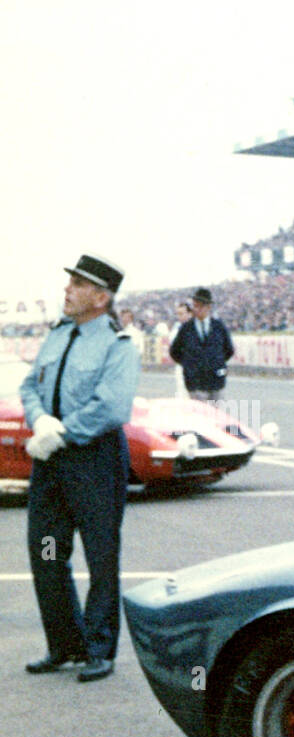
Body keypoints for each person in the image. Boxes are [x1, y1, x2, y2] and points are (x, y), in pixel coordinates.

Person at [21, 254, 139, 682]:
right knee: (47, 550)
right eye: (69, 281)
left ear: (100, 298)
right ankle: (64, 644)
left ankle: (99, 648)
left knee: (100, 555)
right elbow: (29, 385)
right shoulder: (58, 335)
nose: (67, 289)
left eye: (77, 284)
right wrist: (41, 421)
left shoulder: (117, 344)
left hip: (94, 459)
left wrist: (63, 433)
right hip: (51, 459)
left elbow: (112, 406)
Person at [169, 287, 233, 402]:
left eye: (200, 306)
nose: (197, 309)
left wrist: (217, 362)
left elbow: (229, 349)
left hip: (216, 381)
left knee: (216, 412)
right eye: (195, 306)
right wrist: (189, 365)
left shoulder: (218, 326)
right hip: (195, 383)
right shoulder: (186, 328)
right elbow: (175, 351)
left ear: (208, 307)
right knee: (199, 412)